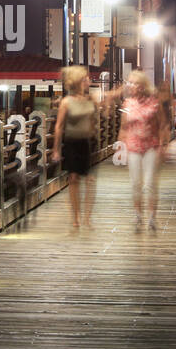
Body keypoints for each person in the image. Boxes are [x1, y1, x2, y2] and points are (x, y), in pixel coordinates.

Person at [115, 71, 164, 229]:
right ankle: (137, 215)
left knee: (150, 183)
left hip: (151, 145)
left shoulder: (154, 103)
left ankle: (152, 216)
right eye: (129, 83)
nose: (130, 86)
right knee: (135, 183)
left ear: (142, 86)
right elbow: (123, 127)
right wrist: (120, 148)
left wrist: (163, 145)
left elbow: (162, 124)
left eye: (134, 83)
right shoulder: (127, 104)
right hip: (133, 146)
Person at [51, 66, 98, 229]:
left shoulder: (90, 99)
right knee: (73, 178)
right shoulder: (66, 102)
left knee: (90, 180)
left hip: (87, 142)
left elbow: (94, 120)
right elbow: (59, 126)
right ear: (77, 82)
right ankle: (76, 216)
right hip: (71, 142)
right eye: (85, 79)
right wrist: (56, 149)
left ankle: (88, 217)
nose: (88, 81)